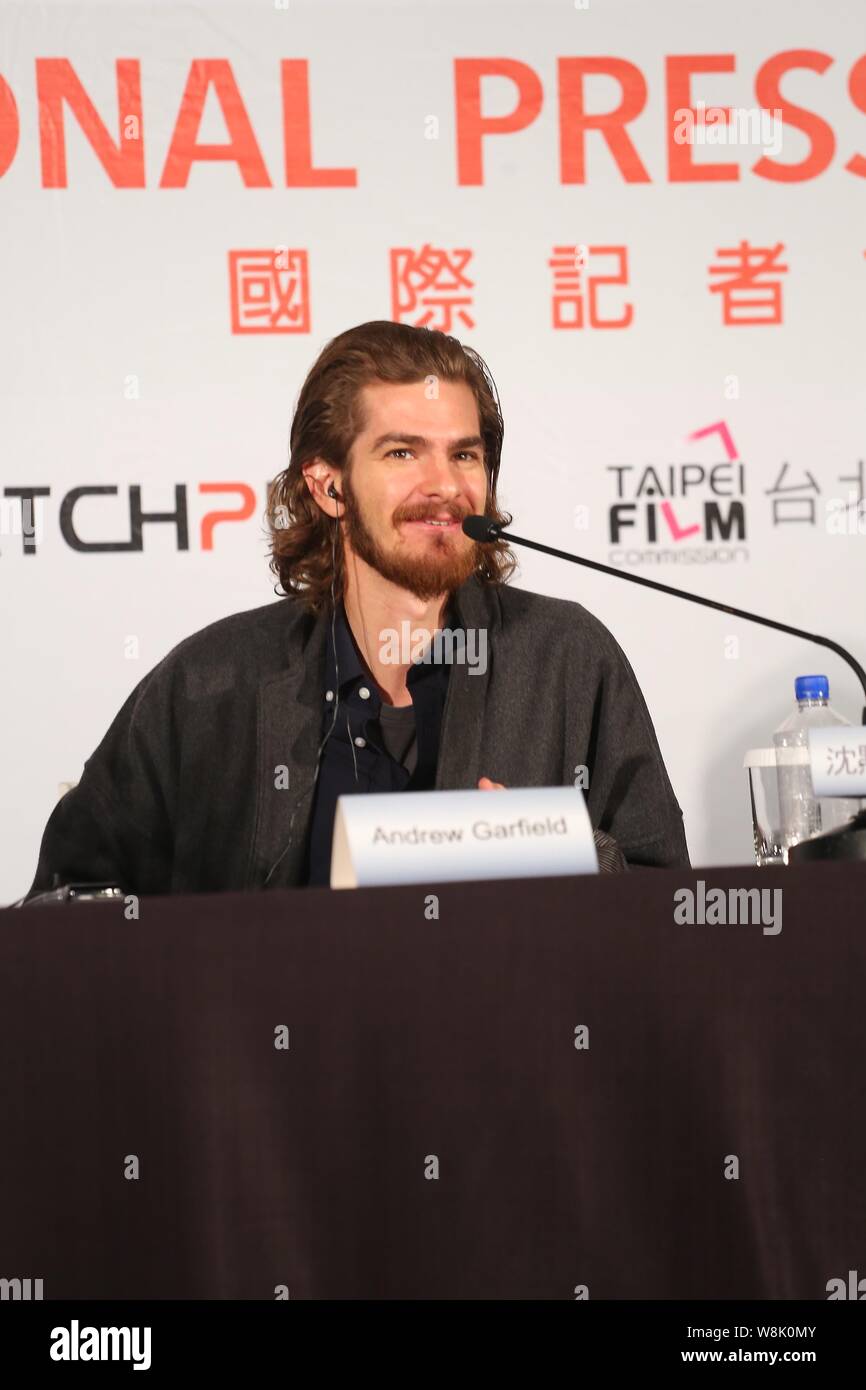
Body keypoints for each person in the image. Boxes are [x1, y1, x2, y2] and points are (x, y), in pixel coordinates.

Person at [25, 320, 689, 899]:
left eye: (465, 454)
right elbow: (69, 899)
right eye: (402, 452)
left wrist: (564, 857)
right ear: (328, 486)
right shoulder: (209, 684)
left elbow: (669, 907)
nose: (446, 487)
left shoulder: (567, 659)